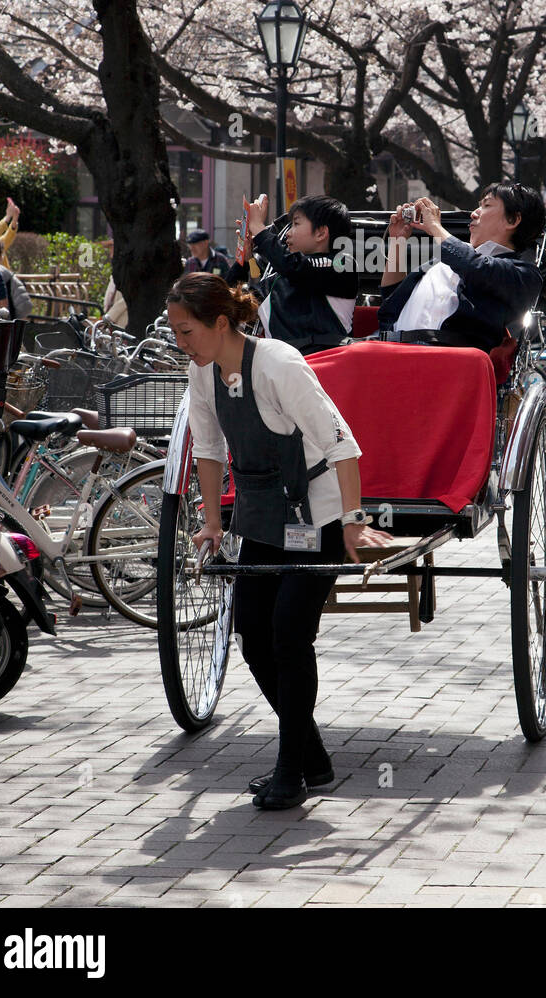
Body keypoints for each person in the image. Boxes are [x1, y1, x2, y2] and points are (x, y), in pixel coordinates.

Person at [167, 272, 391, 810]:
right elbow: (210, 449)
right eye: (175, 332)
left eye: (186, 331)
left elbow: (344, 445)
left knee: (289, 634)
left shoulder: (279, 365)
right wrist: (214, 521)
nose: (181, 343)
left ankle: (291, 767)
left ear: (221, 323)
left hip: (318, 517)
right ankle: (312, 754)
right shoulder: (203, 373)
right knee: (251, 633)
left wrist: (355, 522)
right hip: (264, 519)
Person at [378, 182, 546, 352]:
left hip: (448, 364)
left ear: (513, 220)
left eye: (486, 205)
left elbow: (476, 267)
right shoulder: (442, 261)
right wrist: (397, 242)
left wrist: (436, 227)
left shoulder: (524, 274)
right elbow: (392, 298)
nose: (474, 213)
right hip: (392, 353)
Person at [229, 194, 360, 355]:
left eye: (296, 224)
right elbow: (227, 302)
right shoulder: (274, 280)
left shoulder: (342, 265)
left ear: (320, 233)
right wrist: (243, 259)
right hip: (278, 368)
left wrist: (258, 227)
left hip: (324, 367)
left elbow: (296, 267)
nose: (288, 234)